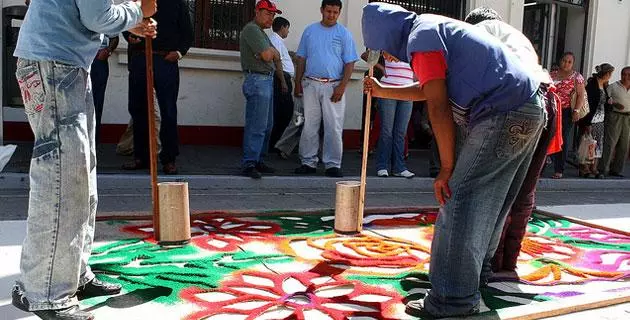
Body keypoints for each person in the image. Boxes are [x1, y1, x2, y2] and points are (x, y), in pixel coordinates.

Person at [362, 3, 545, 318]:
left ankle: (453, 300)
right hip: (530, 107)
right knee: (491, 200)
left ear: (388, 34)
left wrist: (446, 168)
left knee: (459, 197)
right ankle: (476, 275)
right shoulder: (430, 29)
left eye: (381, 48)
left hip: (503, 111)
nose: (385, 57)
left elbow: (437, 107)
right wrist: (384, 91)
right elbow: (429, 88)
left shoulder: (422, 38)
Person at [11, 1, 156, 319]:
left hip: (65, 65)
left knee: (77, 175)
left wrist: (130, 20)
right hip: (55, 65)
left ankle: (70, 274)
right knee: (62, 179)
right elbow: (98, 16)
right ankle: (45, 292)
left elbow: (89, 14)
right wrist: (138, 11)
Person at [463, 7, 560, 274]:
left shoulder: (478, 32)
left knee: (494, 187)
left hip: (515, 103)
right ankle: (507, 262)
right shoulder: (517, 35)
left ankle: (486, 261)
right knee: (524, 187)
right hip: (546, 102)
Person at [123, 0, 193, 175]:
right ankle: (141, 157)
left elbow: (187, 33)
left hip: (165, 61)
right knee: (138, 108)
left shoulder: (178, 3)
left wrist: (178, 52)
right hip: (140, 58)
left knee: (168, 110)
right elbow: (127, 23)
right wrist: (129, 37)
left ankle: (169, 159)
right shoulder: (137, 1)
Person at [294, 0, 359, 177]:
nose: (331, 15)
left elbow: (350, 62)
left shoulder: (344, 34)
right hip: (311, 84)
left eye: (335, 12)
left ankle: (332, 164)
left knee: (334, 126)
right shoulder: (310, 31)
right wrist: (297, 82)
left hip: (334, 86)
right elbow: (301, 59)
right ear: (321, 10)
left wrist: (342, 87)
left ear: (339, 13)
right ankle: (308, 162)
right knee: (309, 125)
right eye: (328, 11)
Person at [239, 0, 285, 179]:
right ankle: (249, 162)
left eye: (273, 14)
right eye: (268, 13)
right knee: (257, 125)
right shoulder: (251, 29)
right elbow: (269, 55)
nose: (271, 17)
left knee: (267, 125)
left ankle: (258, 160)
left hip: (265, 79)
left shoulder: (262, 33)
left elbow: (275, 55)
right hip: (257, 79)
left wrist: (270, 53)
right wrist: (270, 53)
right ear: (257, 12)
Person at [370, 52, 416, 178]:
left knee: (401, 132)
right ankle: (382, 166)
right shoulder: (389, 42)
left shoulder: (414, 43)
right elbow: (366, 55)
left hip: (408, 90)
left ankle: (399, 168)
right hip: (388, 90)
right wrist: (381, 67)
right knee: (387, 131)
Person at [550, 52, 586, 179]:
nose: (566, 64)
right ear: (560, 61)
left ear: (573, 64)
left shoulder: (577, 77)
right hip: (552, 110)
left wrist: (576, 110)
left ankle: (559, 169)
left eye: (569, 62)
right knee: (549, 136)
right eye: (564, 60)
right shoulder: (552, 74)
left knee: (562, 139)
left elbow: (580, 95)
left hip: (566, 112)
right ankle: (547, 162)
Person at [580, 63, 614, 178]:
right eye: (610, 74)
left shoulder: (604, 86)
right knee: (589, 144)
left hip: (601, 120)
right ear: (606, 73)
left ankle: (594, 168)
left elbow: (604, 104)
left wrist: (609, 103)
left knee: (598, 145)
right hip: (592, 120)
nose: (610, 76)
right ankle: (585, 168)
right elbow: (587, 104)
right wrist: (587, 122)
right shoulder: (592, 85)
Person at [268, 16, 295, 153]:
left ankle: (276, 142)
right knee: (284, 112)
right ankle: (276, 142)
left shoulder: (277, 41)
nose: (288, 32)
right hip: (281, 79)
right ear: (283, 27)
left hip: (283, 78)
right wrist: (283, 83)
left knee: (283, 112)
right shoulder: (275, 41)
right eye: (287, 28)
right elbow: (277, 63)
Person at [599, 66, 630, 177]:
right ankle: (603, 169)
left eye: (628, 75)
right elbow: (605, 100)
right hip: (615, 116)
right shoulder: (613, 86)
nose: (626, 77)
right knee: (610, 143)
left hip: (628, 118)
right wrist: (615, 104)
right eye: (623, 74)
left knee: (624, 145)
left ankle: (616, 170)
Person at [91, 35, 119, 145]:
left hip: (98, 61)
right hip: (77, 59)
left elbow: (115, 36)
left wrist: (108, 50)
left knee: (96, 103)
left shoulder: (103, 17)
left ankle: (93, 143)